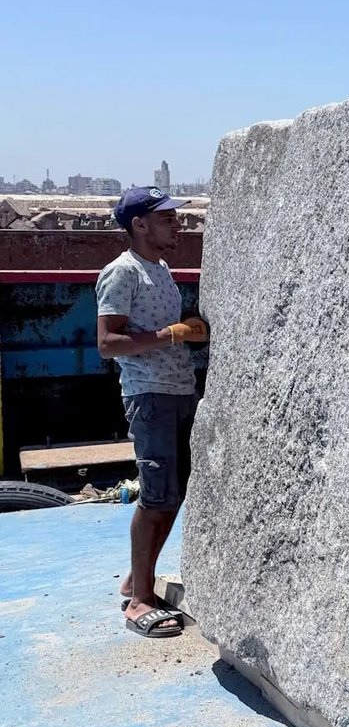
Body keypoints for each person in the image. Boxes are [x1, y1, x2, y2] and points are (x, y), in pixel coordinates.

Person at [95, 186, 209, 638]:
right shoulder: (122, 273)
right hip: (150, 395)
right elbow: (107, 344)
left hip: (179, 390)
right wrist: (172, 334)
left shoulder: (159, 269)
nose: (176, 223)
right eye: (165, 218)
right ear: (138, 225)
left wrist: (185, 333)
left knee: (175, 493)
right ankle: (139, 600)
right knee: (157, 495)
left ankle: (135, 578)